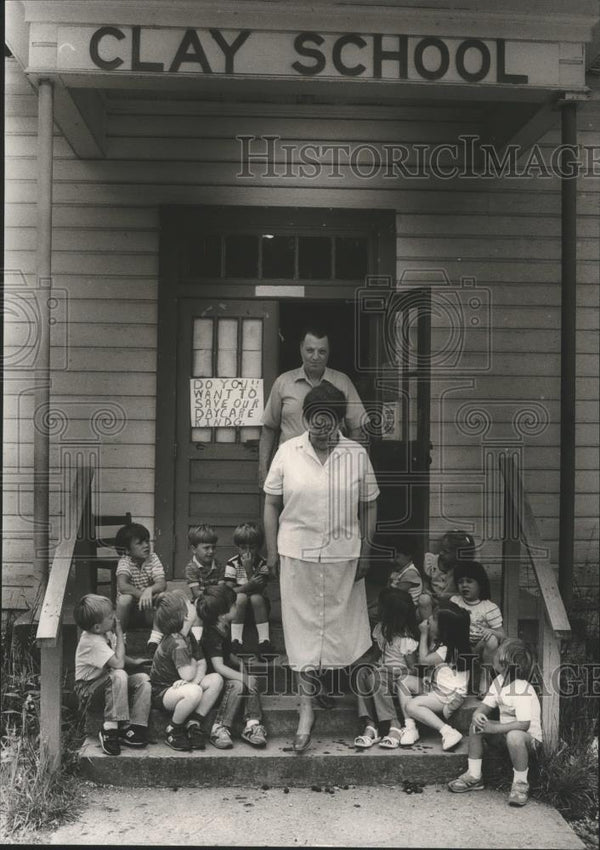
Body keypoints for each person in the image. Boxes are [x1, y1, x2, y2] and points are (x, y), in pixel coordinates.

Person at [263, 381, 379, 753]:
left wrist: (367, 552)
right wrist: (271, 552)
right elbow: (271, 504)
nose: (321, 427)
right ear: (306, 418)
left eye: (328, 420)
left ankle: (365, 713)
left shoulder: (356, 454)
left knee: (354, 633)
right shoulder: (287, 452)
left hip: (345, 556)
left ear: (339, 420)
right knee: (300, 636)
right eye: (314, 419)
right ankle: (306, 712)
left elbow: (370, 504)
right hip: (296, 555)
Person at [258, 326, 368, 487]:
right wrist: (263, 469)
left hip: (333, 469)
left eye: (322, 351)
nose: (315, 357)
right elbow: (269, 429)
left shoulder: (342, 382)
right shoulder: (283, 382)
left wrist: (354, 468)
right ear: (301, 349)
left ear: (329, 352)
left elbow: (358, 429)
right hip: (290, 469)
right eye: (310, 350)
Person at [448, 638, 542, 806]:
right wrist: (477, 715)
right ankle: (474, 776)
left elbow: (523, 725)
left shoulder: (522, 688)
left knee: (514, 736)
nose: (494, 654)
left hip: (528, 741)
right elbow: (484, 707)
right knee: (476, 727)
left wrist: (494, 728)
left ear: (506, 663)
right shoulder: (499, 681)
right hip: (506, 736)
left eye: (498, 653)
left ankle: (521, 783)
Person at [74, 594, 151, 756]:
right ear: (96, 627)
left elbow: (114, 657)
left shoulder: (103, 633)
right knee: (119, 674)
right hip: (88, 693)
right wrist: (120, 633)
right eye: (110, 617)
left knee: (143, 680)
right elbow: (118, 664)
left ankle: (135, 727)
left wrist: (134, 662)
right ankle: (110, 729)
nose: (115, 618)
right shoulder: (92, 641)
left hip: (105, 686)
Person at [150, 592, 223, 751]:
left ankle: (193, 722)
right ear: (184, 616)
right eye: (189, 604)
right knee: (194, 692)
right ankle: (174, 729)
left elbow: (202, 663)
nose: (193, 604)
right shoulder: (177, 641)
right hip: (163, 692)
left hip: (182, 686)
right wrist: (192, 678)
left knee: (216, 680)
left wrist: (192, 681)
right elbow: (189, 672)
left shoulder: (188, 636)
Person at [199, 585, 268, 750]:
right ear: (223, 614)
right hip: (214, 683)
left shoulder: (224, 626)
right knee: (239, 684)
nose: (237, 607)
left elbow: (227, 654)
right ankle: (219, 727)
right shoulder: (212, 634)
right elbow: (218, 666)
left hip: (225, 675)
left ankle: (252, 724)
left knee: (250, 678)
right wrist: (243, 678)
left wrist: (241, 664)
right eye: (234, 605)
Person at [399, 602, 472, 751]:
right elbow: (442, 670)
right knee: (403, 681)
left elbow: (424, 660)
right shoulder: (449, 645)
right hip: (438, 688)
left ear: (443, 628)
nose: (429, 619)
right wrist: (431, 677)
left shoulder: (447, 649)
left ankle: (447, 731)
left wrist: (424, 634)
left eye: (433, 618)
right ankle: (410, 727)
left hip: (448, 696)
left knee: (411, 705)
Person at [354, 588, 419, 750]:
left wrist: (392, 671)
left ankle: (394, 724)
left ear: (390, 613)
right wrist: (370, 664)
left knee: (377, 676)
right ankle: (370, 725)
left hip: (397, 677)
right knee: (362, 672)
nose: (377, 610)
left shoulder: (406, 639)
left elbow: (413, 669)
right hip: (381, 674)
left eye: (381, 607)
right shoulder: (380, 629)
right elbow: (376, 655)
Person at [450, 560, 506, 694]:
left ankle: (485, 677)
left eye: (469, 581)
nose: (464, 585)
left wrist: (490, 631)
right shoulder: (454, 602)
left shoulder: (489, 607)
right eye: (460, 582)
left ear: (480, 584)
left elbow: (502, 636)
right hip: (460, 646)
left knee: (492, 640)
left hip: (480, 647)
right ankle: (453, 677)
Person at [115, 522, 167, 654]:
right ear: (127, 550)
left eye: (147, 541)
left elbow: (161, 584)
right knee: (124, 599)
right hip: (129, 614)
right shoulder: (125, 561)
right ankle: (120, 640)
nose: (146, 545)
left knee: (163, 596)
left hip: (148, 610)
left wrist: (149, 591)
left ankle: (154, 641)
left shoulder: (153, 558)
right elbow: (123, 586)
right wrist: (141, 594)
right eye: (140, 543)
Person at [224, 522, 272, 658]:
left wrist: (249, 569)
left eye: (252, 547)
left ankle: (264, 641)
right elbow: (229, 592)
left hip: (259, 610)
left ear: (259, 547)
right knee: (241, 597)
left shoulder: (262, 563)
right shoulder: (232, 563)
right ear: (237, 547)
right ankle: (236, 640)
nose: (248, 552)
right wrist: (248, 586)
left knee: (256, 597)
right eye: (243, 548)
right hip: (237, 609)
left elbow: (259, 589)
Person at [418, 530, 476, 621]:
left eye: (446, 551)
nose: (441, 553)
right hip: (434, 601)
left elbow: (465, 593)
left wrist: (448, 596)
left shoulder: (463, 569)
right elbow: (425, 582)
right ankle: (429, 627)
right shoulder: (432, 562)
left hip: (453, 603)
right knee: (424, 599)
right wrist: (427, 592)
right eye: (441, 549)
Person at [184, 525, 224, 601]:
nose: (211, 551)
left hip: (218, 601)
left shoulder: (218, 565)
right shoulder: (191, 568)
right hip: (201, 602)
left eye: (213, 547)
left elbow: (222, 589)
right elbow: (197, 593)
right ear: (194, 549)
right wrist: (215, 592)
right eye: (206, 548)